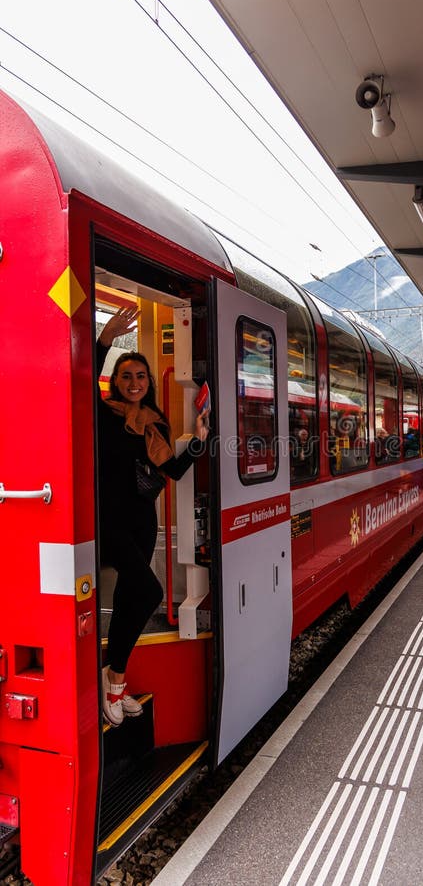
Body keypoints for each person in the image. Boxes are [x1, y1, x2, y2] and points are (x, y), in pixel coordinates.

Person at [97, 307, 209, 727]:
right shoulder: (103, 415)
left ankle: (114, 683)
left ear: (148, 384)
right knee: (148, 593)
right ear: (114, 379)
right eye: (126, 376)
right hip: (108, 521)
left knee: (131, 596)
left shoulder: (153, 422)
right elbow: (78, 371)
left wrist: (197, 441)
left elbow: (174, 471)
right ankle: (114, 678)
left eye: (140, 377)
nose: (134, 383)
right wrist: (105, 341)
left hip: (143, 521)